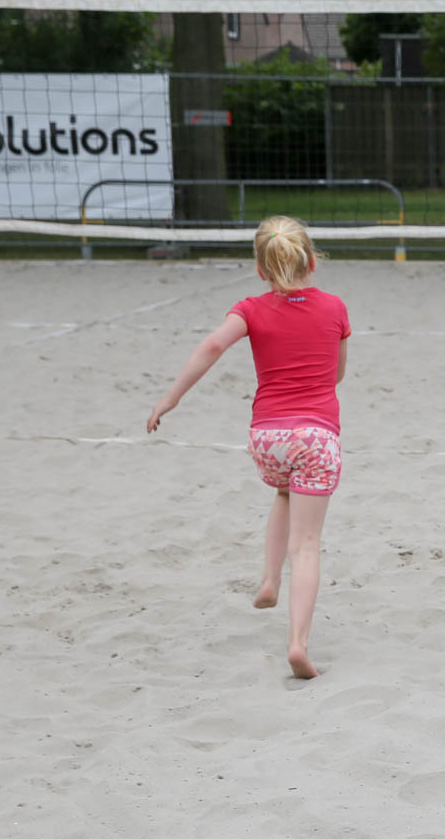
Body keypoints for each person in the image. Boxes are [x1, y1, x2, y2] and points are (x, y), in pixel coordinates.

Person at [146, 217, 351, 680]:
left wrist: (171, 397)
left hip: (267, 441)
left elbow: (213, 346)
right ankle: (297, 644)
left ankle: (268, 580)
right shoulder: (335, 308)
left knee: (283, 493)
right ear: (313, 261)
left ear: (260, 270)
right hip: (315, 437)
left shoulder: (250, 309)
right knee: (308, 545)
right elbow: (337, 374)